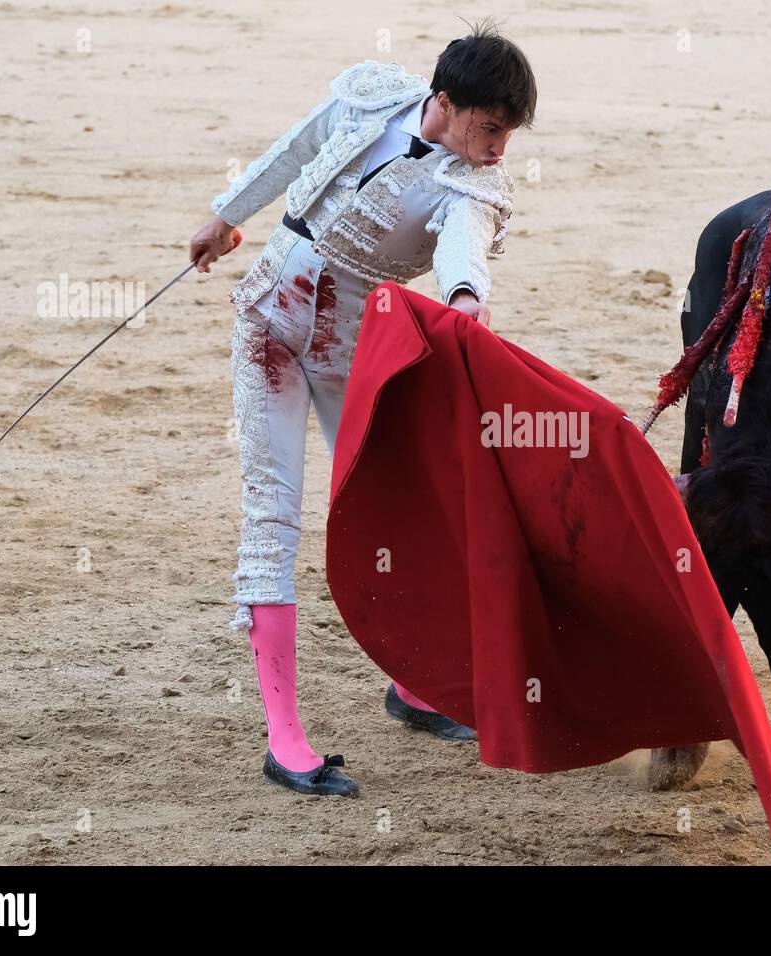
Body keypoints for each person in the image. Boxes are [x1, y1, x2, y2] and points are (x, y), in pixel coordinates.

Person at [187, 20, 537, 797]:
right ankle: (286, 739)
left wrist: (464, 298)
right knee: (273, 516)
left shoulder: (471, 186)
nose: (499, 148)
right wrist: (224, 214)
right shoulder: (371, 94)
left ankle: (413, 686)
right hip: (266, 328)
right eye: (489, 128)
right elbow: (294, 148)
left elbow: (463, 250)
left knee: (400, 512)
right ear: (444, 102)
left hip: (351, 355)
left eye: (509, 133)